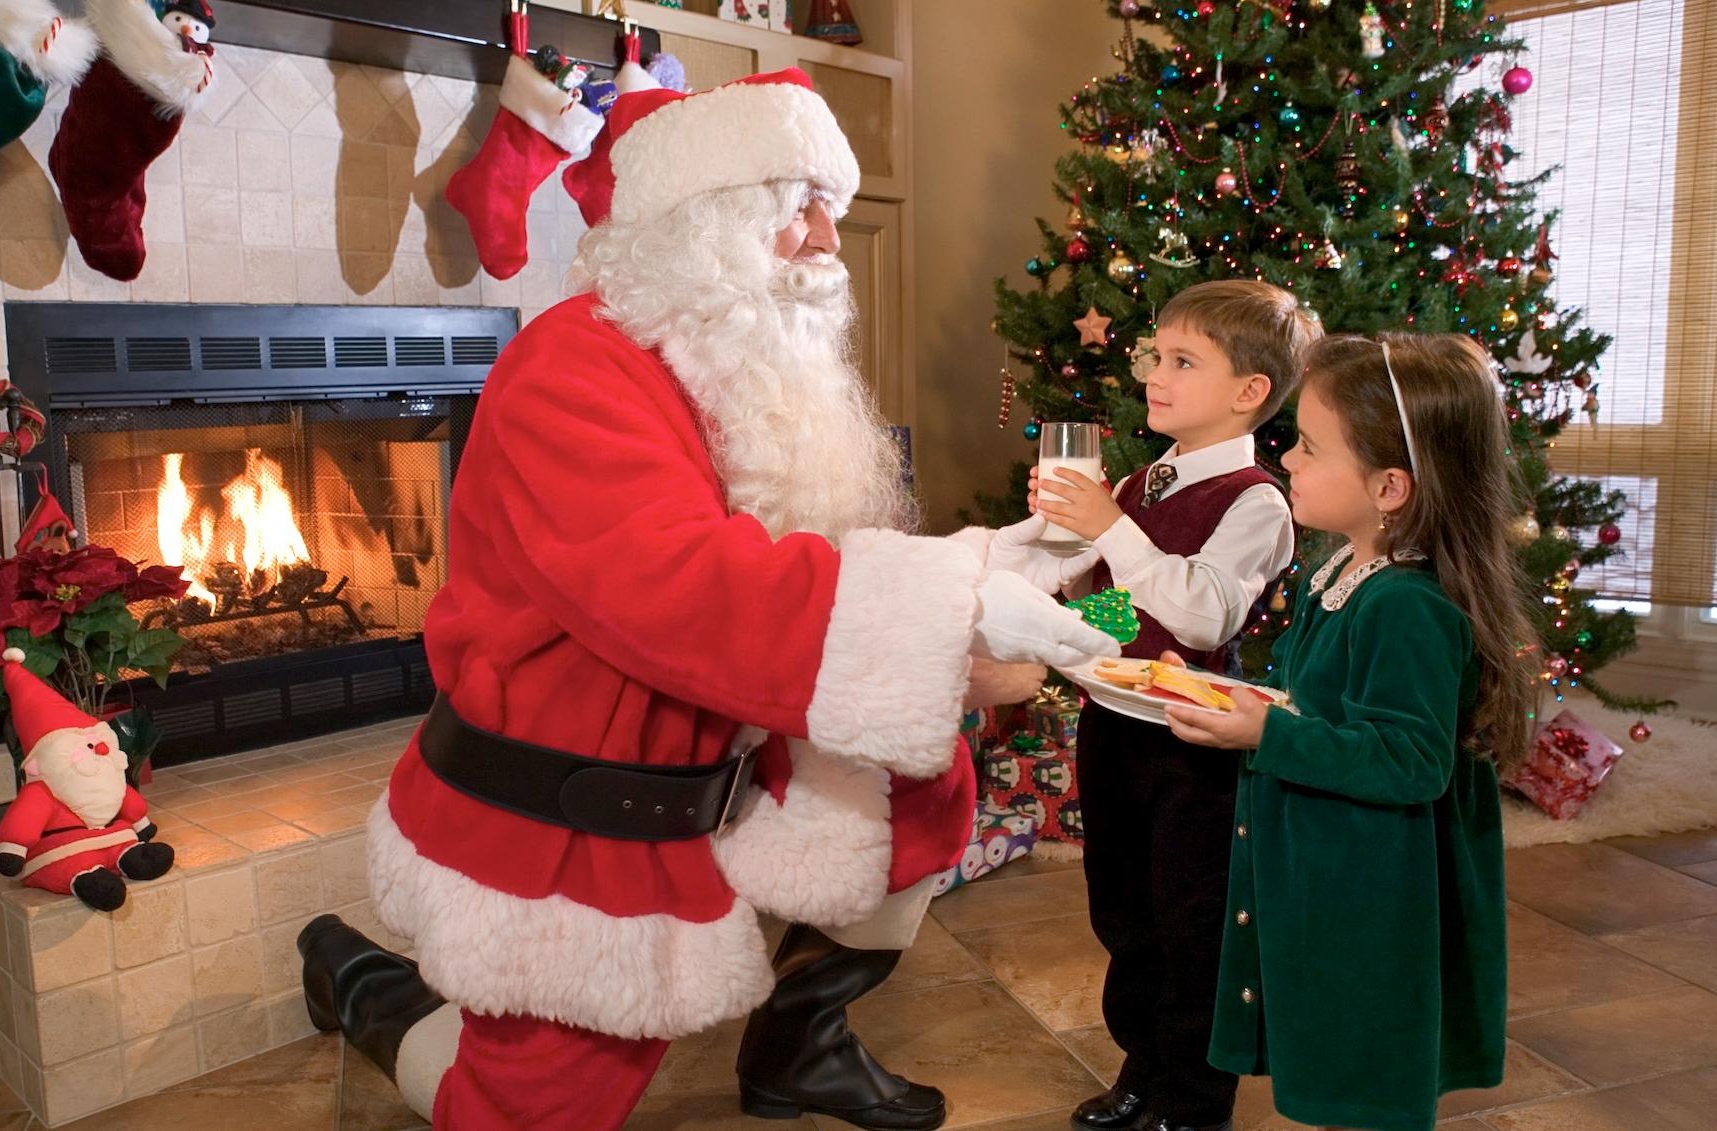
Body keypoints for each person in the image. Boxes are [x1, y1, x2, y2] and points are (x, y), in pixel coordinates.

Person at [296, 69, 1121, 1131]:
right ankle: (368, 992)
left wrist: (976, 578)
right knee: (523, 1109)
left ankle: (796, 1049)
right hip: (578, 790)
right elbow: (681, 587)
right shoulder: (571, 371)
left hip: (723, 730)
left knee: (917, 789)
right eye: (799, 209)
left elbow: (802, 557)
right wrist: (953, 617)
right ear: (702, 224)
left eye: (831, 207)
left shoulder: (737, 362)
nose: (829, 241)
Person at [1164, 333, 1523, 1131]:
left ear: (1389, 486)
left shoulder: (1406, 606)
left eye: (1310, 446)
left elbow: (1410, 757)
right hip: (1328, 861)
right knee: (1331, 1045)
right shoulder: (1340, 571)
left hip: (1374, 883)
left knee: (1365, 1067)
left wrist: (1264, 734)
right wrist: (1248, 701)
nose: (1286, 457)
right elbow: (1320, 701)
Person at [1028, 280, 1321, 1131]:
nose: (1157, 374)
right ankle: (1143, 1064)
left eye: (1183, 361)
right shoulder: (1137, 482)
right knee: (1121, 909)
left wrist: (1111, 528)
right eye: (1157, 355)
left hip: (1191, 739)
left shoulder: (1258, 502)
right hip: (1112, 724)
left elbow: (1201, 614)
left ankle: (1194, 1102)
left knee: (1191, 923)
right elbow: (1130, 610)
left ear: (1249, 392)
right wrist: (1068, 592)